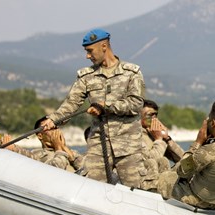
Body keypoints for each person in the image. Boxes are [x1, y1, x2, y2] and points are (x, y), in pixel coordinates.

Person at [41, 29, 154, 189]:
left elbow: (136, 104)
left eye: (89, 51)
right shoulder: (86, 76)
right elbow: (71, 103)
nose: (87, 56)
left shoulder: (131, 73)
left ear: (103, 46)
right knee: (92, 188)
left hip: (128, 145)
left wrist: (105, 106)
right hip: (98, 143)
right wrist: (53, 119)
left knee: (135, 190)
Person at [156, 100, 215, 209]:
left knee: (163, 178)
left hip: (200, 200)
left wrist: (198, 142)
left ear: (213, 123)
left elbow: (182, 170)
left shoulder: (207, 152)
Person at [141, 99, 184, 173]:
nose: (154, 118)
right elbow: (150, 162)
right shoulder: (134, 135)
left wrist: (166, 138)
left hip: (160, 177)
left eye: (155, 115)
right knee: (163, 160)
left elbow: (182, 158)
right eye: (150, 115)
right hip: (145, 178)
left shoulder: (153, 133)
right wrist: (159, 140)